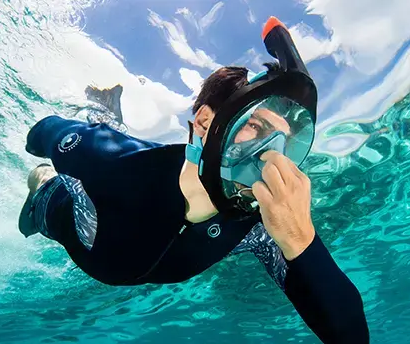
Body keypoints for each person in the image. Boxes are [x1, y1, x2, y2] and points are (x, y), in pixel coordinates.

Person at [18, 17, 369, 343]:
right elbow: (47, 131)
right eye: (258, 127)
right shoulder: (112, 158)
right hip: (56, 209)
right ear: (204, 122)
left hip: (117, 260)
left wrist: (301, 240)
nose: (270, 156)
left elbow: (349, 337)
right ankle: (78, 141)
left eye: (285, 144)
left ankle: (107, 111)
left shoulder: (257, 226)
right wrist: (39, 154)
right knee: (65, 165)